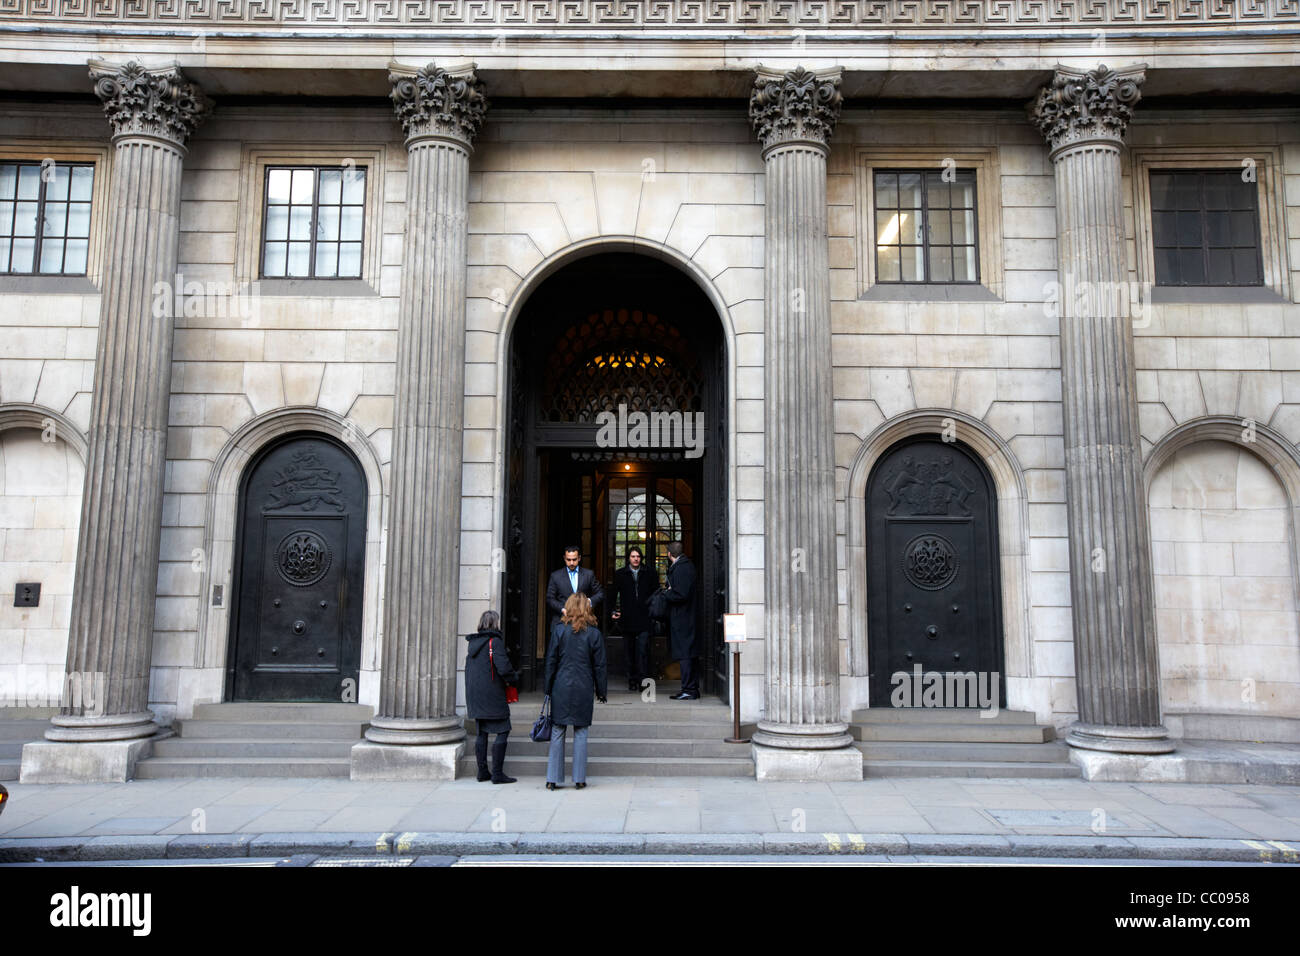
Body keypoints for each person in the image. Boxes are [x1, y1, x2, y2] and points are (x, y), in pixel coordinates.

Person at [543, 592, 608, 790]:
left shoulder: (559, 631)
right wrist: (601, 691)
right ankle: (579, 779)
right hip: (583, 686)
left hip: (561, 686)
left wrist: (547, 688)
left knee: (557, 730)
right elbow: (600, 666)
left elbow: (551, 661)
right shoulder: (594, 634)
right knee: (581, 732)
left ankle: (552, 779)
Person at [463, 610, 518, 784]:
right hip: (492, 694)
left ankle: (482, 772)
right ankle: (497, 773)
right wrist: (514, 679)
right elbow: (504, 668)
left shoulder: (472, 644)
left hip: (475, 695)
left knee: (482, 733)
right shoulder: (495, 642)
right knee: (503, 729)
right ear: (495, 624)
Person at [612, 545, 659, 692]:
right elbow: (613, 594)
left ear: (641, 558)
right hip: (627, 618)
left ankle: (643, 682)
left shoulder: (650, 573)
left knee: (643, 651)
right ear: (628, 558)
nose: (636, 559)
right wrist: (613, 610)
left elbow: (656, 593)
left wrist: (652, 610)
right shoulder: (620, 574)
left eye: (638, 556)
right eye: (633, 556)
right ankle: (632, 680)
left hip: (645, 618)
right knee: (629, 652)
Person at [664, 540, 699, 700]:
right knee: (688, 653)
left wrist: (667, 593)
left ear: (669, 554)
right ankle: (691, 688)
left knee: (685, 654)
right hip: (686, 616)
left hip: (683, 617)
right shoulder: (686, 566)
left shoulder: (682, 568)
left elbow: (681, 594)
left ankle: (689, 689)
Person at [545, 545, 604, 638]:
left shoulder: (589, 574)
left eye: (574, 559)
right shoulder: (555, 576)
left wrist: (589, 601)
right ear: (564, 558)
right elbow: (550, 598)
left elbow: (600, 593)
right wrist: (562, 609)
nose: (571, 563)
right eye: (568, 560)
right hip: (562, 621)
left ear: (579, 558)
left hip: (584, 622)